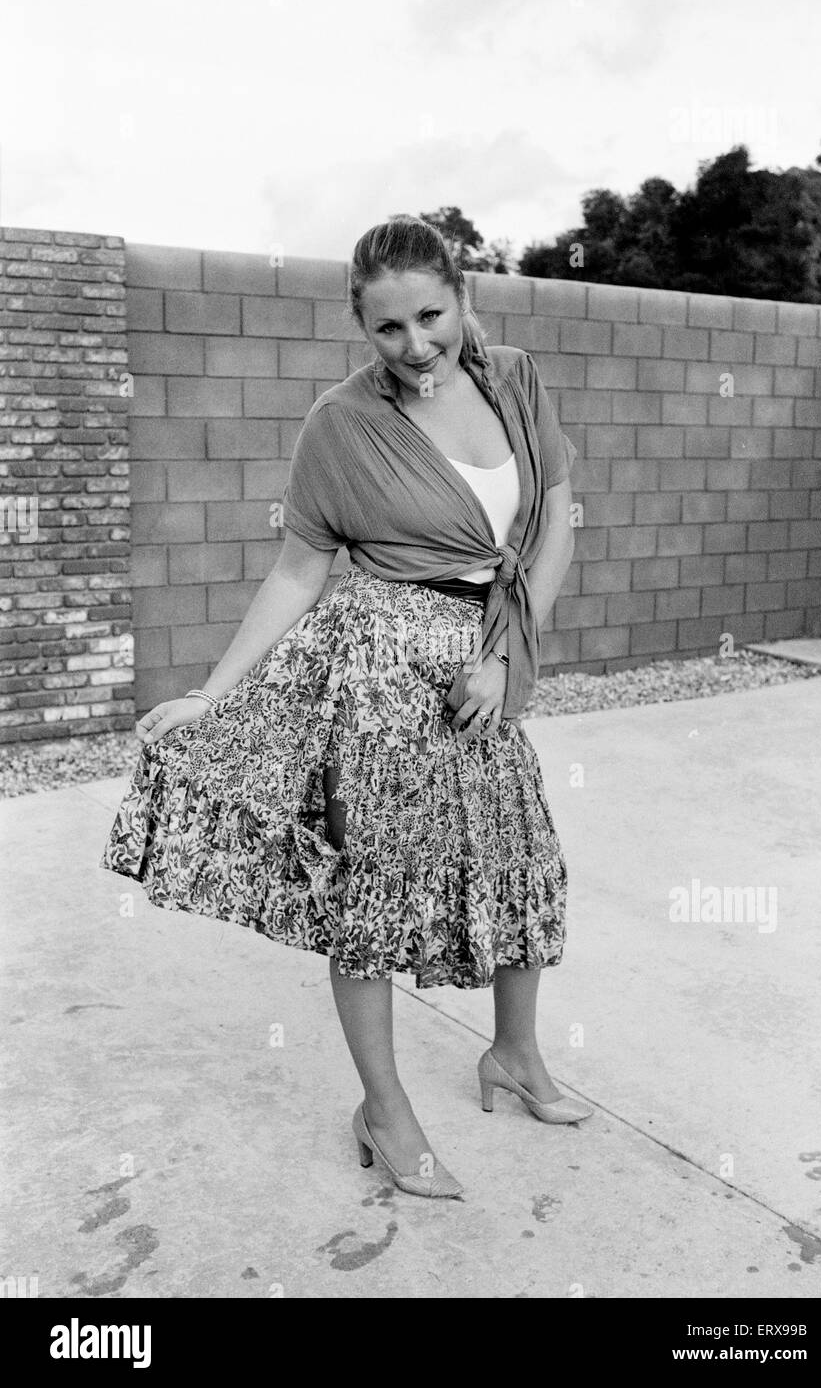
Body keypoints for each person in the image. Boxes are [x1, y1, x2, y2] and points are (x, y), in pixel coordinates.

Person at [100, 214, 592, 1203]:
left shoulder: (516, 380)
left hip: (484, 658)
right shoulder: (341, 422)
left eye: (430, 316)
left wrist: (502, 656)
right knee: (372, 886)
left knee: (519, 854)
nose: (415, 346)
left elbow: (553, 530)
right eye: (388, 330)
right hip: (373, 665)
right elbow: (296, 570)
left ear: (463, 297)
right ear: (359, 330)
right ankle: (384, 1110)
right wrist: (212, 692)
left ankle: (514, 1056)